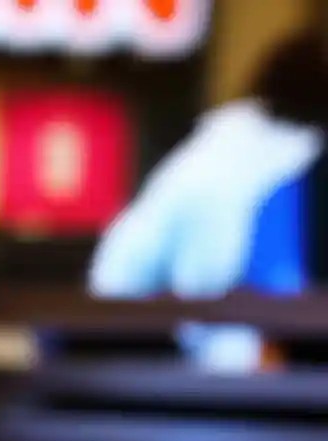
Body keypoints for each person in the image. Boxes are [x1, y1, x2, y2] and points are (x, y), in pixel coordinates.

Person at [88, 29, 328, 370]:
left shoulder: (211, 144)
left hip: (194, 377)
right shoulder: (305, 166)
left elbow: (116, 273)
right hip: (279, 378)